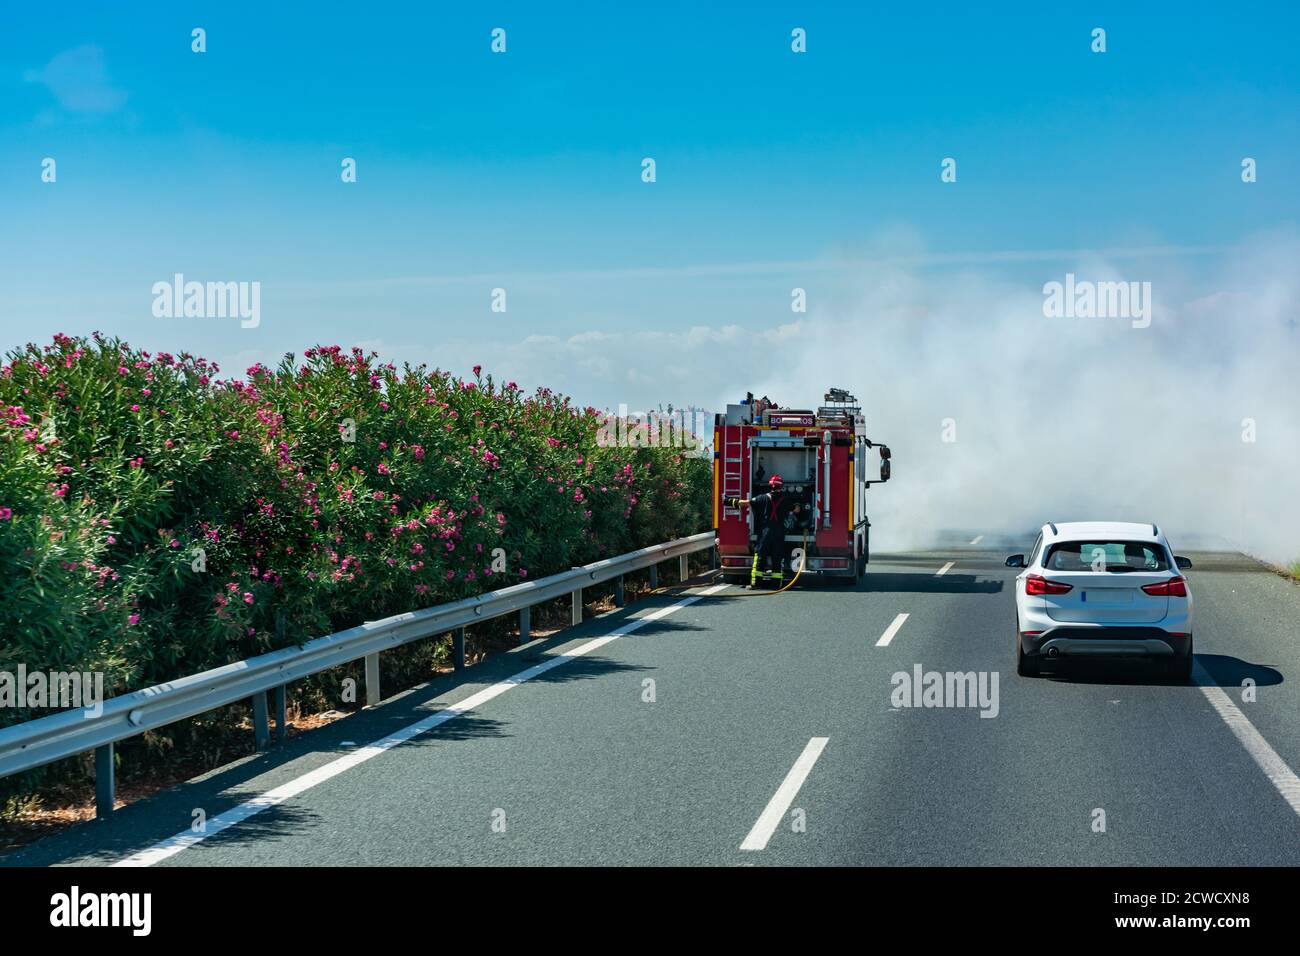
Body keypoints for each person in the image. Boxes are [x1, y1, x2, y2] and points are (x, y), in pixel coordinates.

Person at [725, 475, 802, 588]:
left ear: (770, 486)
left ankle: (756, 583)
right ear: (781, 487)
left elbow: (744, 503)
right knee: (777, 557)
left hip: (765, 532)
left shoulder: (761, 498)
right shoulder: (785, 501)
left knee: (760, 557)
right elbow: (797, 510)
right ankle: (776, 584)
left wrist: (729, 501)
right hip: (779, 532)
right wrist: (798, 504)